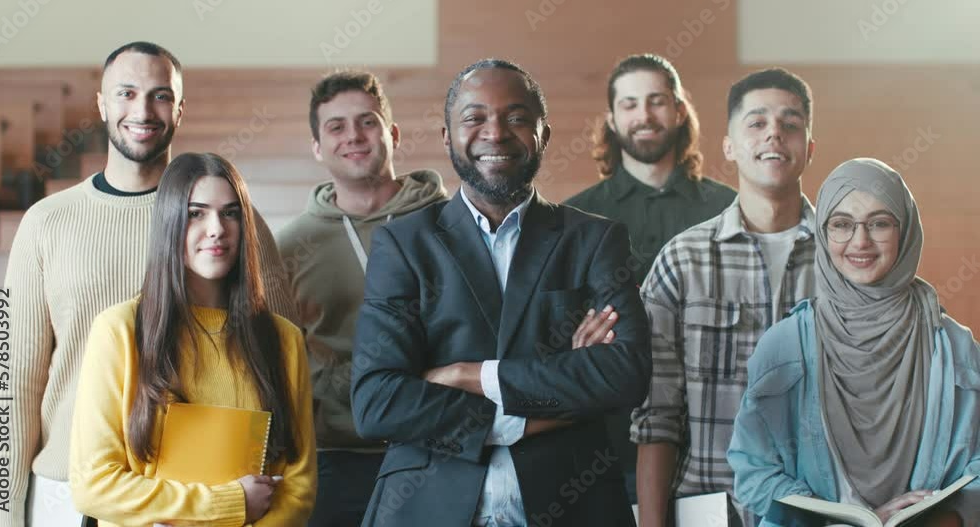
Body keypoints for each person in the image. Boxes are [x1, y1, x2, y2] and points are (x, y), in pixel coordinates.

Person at [0, 42, 298, 526]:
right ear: (101, 104)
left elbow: (278, 356)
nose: (142, 110)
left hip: (201, 486)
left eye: (158, 96)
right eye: (126, 93)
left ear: (179, 108)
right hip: (71, 489)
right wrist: (3, 511)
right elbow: (13, 383)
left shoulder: (232, 220)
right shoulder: (44, 221)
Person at [350, 59, 652, 526]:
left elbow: (625, 375)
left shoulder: (595, 240)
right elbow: (377, 402)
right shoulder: (403, 244)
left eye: (516, 118)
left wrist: (468, 375)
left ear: (543, 135)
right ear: (447, 136)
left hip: (573, 503)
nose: (495, 133)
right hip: (429, 505)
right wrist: (540, 406)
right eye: (474, 118)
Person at [728, 158, 980, 527]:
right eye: (842, 225)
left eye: (879, 223)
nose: (860, 242)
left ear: (905, 230)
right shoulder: (784, 346)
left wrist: (950, 517)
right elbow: (753, 474)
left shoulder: (954, 347)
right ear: (823, 233)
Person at [69, 152, 316, 526]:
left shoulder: (284, 340)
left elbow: (299, 486)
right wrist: (228, 504)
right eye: (196, 213)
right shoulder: (117, 330)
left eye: (231, 213)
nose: (216, 228)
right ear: (170, 221)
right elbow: (94, 483)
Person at [632, 68, 818, 527]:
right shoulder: (683, 260)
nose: (774, 132)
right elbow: (656, 417)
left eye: (791, 123)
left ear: (809, 148)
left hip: (825, 509)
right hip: (711, 509)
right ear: (729, 146)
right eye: (756, 122)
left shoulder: (844, 262)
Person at [275, 70, 448, 526]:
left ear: (391, 133)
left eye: (366, 122)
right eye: (335, 127)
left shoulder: (450, 224)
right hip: (336, 456)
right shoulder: (289, 247)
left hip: (438, 446)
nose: (353, 136)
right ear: (317, 147)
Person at [564, 53, 736, 505]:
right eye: (630, 104)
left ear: (680, 111)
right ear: (612, 119)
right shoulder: (573, 219)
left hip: (720, 444)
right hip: (612, 446)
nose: (643, 115)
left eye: (657, 101)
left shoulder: (731, 210)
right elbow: (555, 340)